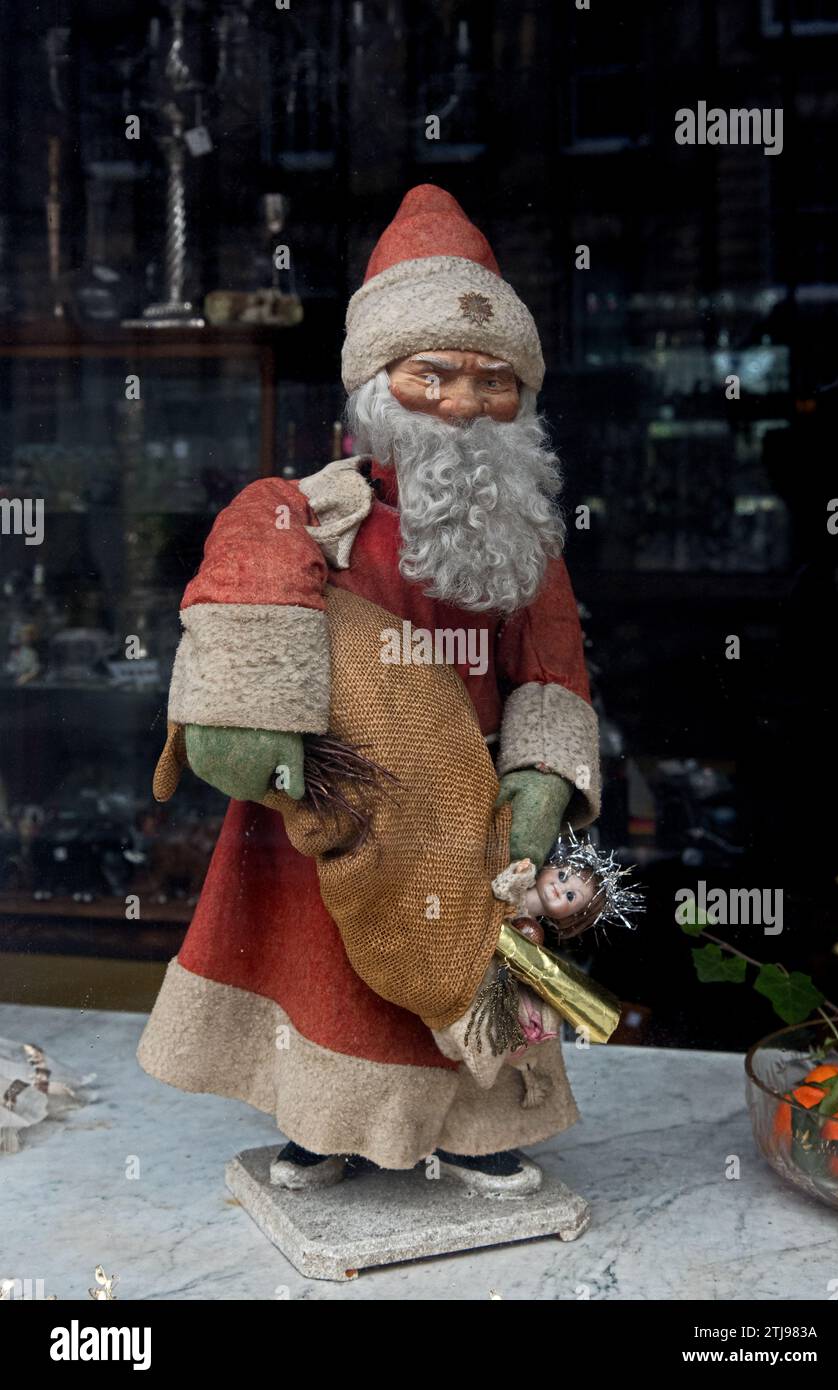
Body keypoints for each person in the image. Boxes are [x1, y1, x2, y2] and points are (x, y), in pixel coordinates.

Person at [137, 184, 601, 1198]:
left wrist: (540, 779)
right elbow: (261, 597)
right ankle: (322, 1121)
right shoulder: (324, 517)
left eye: (493, 381)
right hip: (341, 792)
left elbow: (552, 671)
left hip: (464, 797)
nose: (464, 401)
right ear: (380, 383)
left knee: (473, 953)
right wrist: (254, 716)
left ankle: (479, 1128)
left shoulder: (528, 544)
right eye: (434, 373)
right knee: (330, 972)